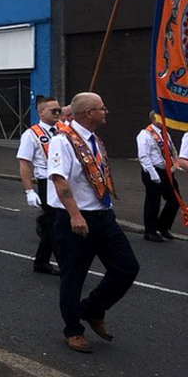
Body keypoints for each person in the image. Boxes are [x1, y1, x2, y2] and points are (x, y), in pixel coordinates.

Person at [48, 92, 139, 353]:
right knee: (73, 276)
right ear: (89, 113)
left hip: (103, 216)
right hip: (75, 218)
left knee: (126, 268)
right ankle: (73, 330)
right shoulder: (63, 140)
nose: (106, 111)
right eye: (102, 108)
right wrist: (75, 214)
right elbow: (59, 179)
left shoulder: (94, 140)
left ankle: (92, 308)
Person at [16, 96, 63, 274]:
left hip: (62, 181)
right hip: (46, 182)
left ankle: (41, 262)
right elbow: (24, 164)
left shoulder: (63, 130)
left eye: (59, 110)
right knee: (56, 225)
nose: (57, 113)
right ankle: (65, 265)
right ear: (41, 112)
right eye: (53, 111)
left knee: (53, 224)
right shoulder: (31, 135)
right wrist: (29, 190)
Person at [138, 111, 181, 242]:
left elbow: (171, 150)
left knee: (174, 200)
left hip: (166, 171)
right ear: (154, 118)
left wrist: (175, 164)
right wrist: (153, 173)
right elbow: (143, 156)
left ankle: (163, 227)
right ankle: (150, 231)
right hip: (152, 170)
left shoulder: (165, 134)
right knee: (153, 201)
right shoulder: (145, 134)